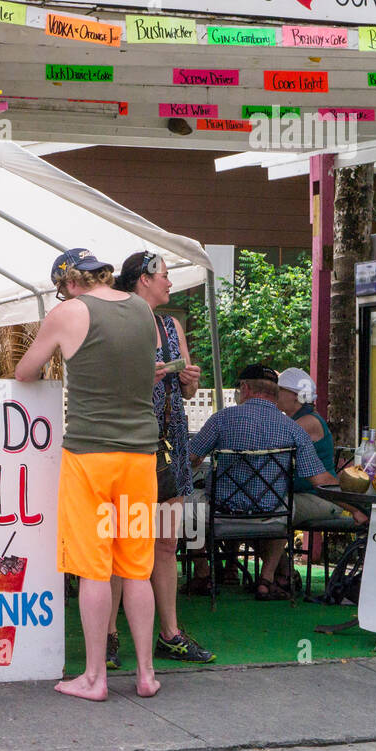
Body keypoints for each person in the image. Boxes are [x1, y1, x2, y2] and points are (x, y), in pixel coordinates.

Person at [16, 248, 161, 700]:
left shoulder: (67, 312)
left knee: (94, 570)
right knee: (137, 570)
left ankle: (95, 678)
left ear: (68, 283)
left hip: (89, 457)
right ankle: (146, 675)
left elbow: (25, 372)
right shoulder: (143, 310)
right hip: (140, 457)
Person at [105, 252, 215, 665]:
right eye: (165, 276)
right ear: (143, 280)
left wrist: (189, 380)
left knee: (166, 543)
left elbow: (186, 394)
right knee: (121, 544)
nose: (170, 283)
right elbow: (105, 385)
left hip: (169, 446)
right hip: (129, 446)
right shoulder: (116, 322)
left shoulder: (171, 326)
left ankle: (169, 633)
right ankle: (110, 635)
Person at [188, 364, 339, 600]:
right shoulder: (293, 429)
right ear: (275, 393)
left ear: (245, 388)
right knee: (283, 501)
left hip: (221, 513)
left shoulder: (221, 419)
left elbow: (190, 459)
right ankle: (266, 580)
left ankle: (203, 573)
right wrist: (354, 506)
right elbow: (319, 478)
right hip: (272, 516)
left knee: (182, 504)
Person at [276, 367, 366, 589]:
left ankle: (280, 575)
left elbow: (269, 442)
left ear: (295, 395)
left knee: (271, 510)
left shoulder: (306, 422)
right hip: (305, 494)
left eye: (279, 390)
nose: (275, 394)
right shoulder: (300, 419)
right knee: (263, 507)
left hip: (321, 498)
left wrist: (355, 509)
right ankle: (280, 573)